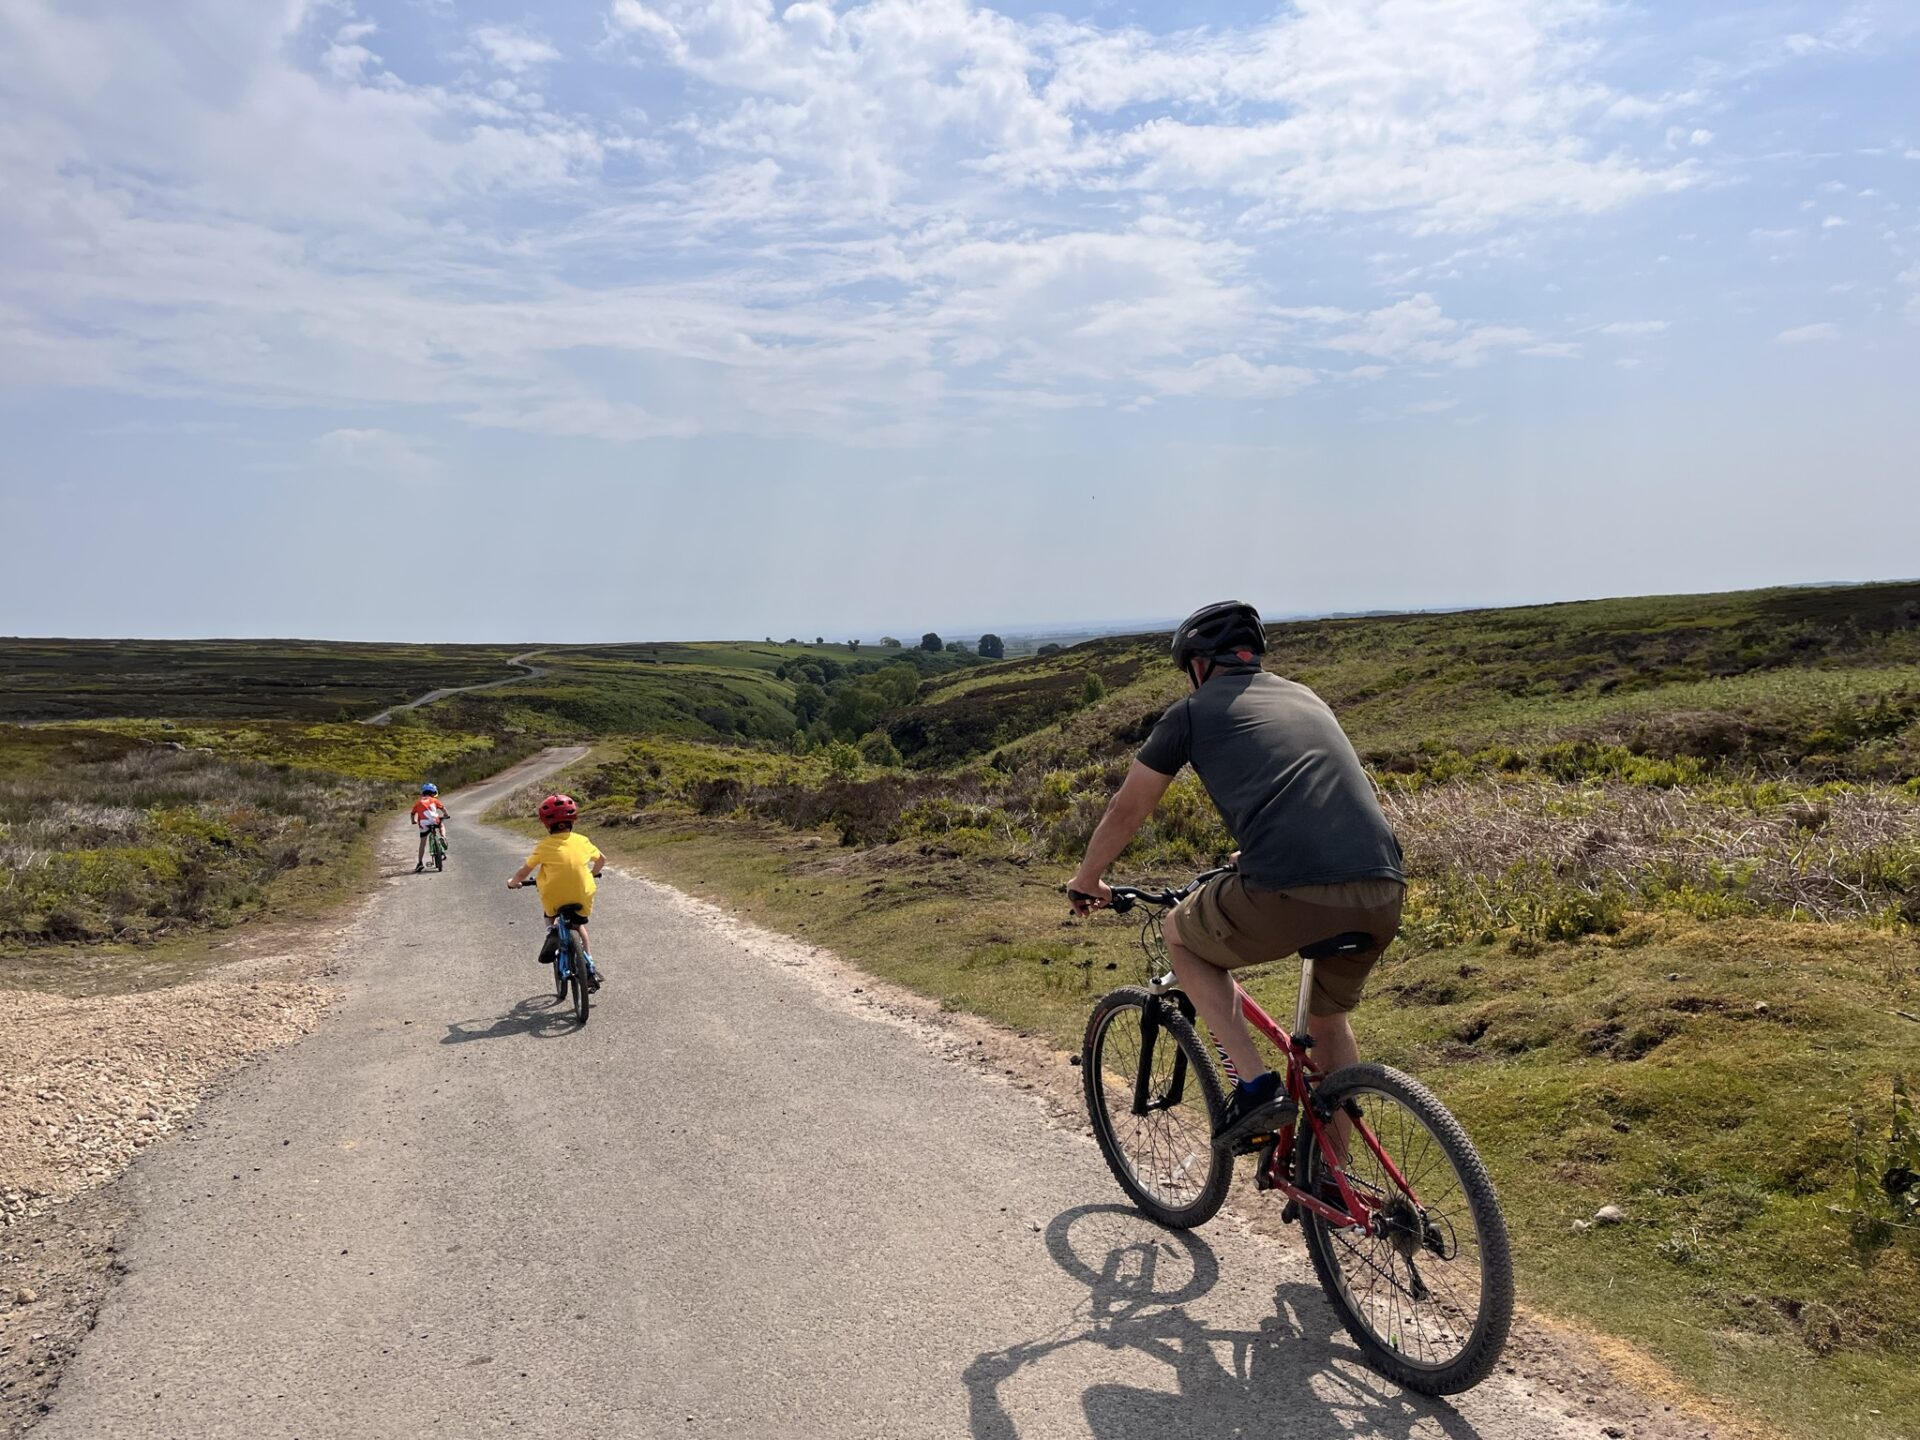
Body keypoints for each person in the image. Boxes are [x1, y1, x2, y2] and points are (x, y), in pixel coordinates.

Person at [1068, 600, 1405, 1152]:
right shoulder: (1306, 696)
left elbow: (1126, 810)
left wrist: (1088, 879)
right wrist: (1254, 856)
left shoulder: (1192, 713)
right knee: (1327, 1021)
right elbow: (1317, 793)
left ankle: (1255, 1088)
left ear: (1199, 664)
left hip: (1292, 887)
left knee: (1180, 933)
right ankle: (1331, 1179)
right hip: (1383, 885)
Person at [507, 793, 606, 991]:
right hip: (582, 895)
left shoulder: (544, 846)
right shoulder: (582, 841)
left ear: (546, 824)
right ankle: (590, 967)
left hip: (554, 897)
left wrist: (513, 882)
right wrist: (592, 873)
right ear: (573, 820)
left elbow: (524, 871)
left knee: (550, 913)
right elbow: (602, 859)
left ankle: (551, 931)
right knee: (579, 928)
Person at [411, 783, 448, 874]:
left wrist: (413, 821)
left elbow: (412, 813)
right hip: (435, 821)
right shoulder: (434, 800)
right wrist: (446, 815)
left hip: (423, 824)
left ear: (423, 792)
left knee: (422, 843)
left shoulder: (418, 802)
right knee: (441, 825)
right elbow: (443, 809)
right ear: (434, 792)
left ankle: (420, 863)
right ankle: (443, 837)